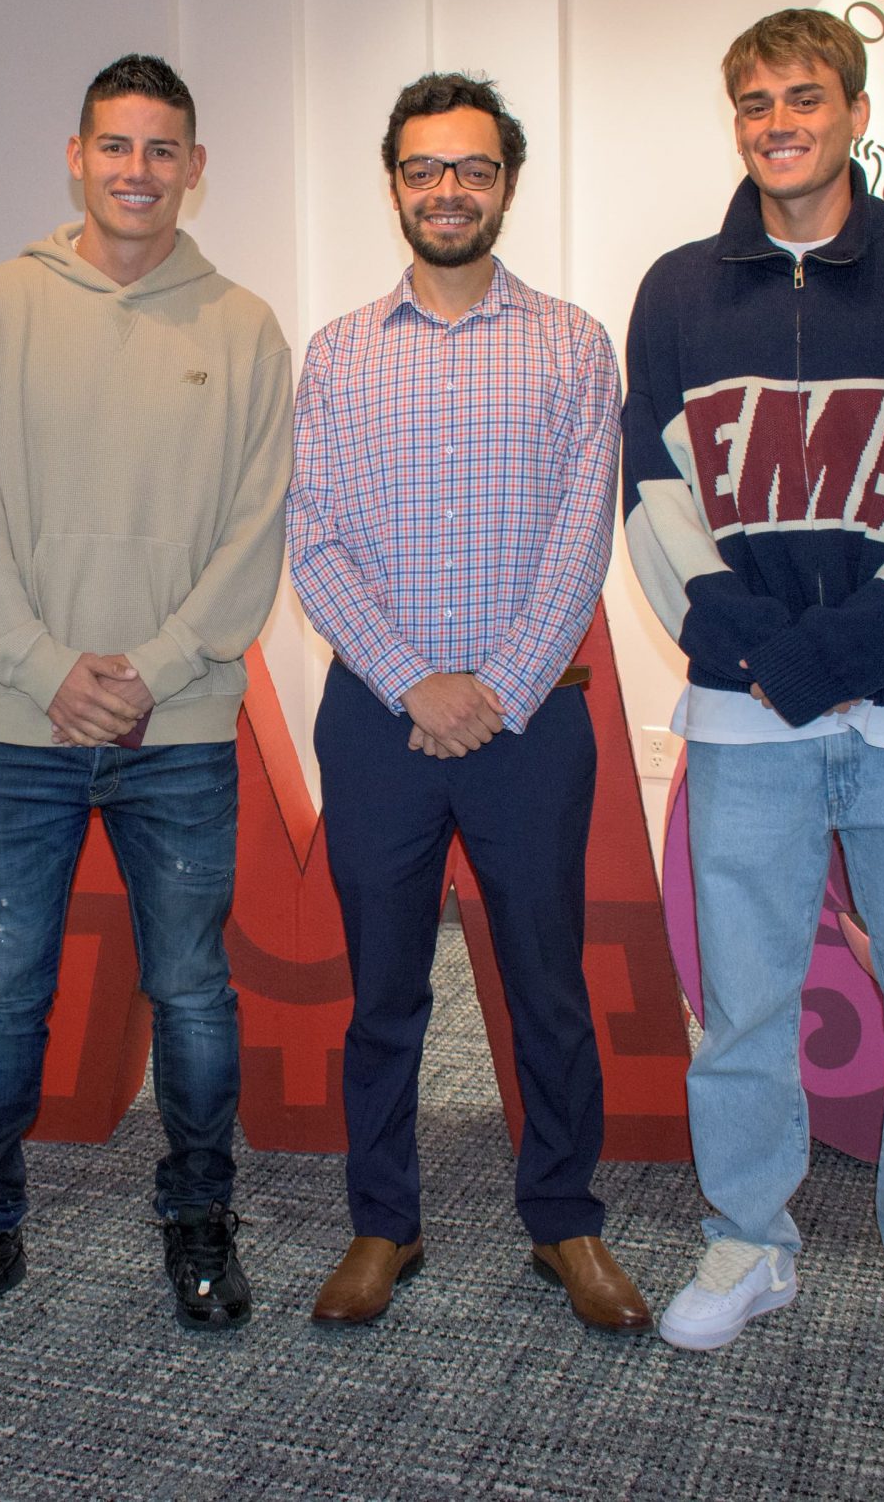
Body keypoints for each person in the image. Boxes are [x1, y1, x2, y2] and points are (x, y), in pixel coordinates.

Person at [621, 8, 884, 1397]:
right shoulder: (678, 291)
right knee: (740, 1005)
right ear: (734, 121)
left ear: (855, 111)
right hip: (744, 721)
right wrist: (766, 661)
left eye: (804, 96)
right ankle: (750, 1239)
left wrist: (841, 653)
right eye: (753, 102)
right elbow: (658, 510)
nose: (778, 121)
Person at [0, 54, 293, 1338]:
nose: (138, 170)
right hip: (19, 726)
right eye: (114, 146)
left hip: (175, 726)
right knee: (5, 984)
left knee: (191, 988)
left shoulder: (241, 328)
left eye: (162, 149)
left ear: (195, 168)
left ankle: (198, 1216)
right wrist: (41, 666)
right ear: (74, 156)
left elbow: (257, 530)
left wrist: (161, 662)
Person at [290, 73, 643, 1333]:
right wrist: (417, 686)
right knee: (381, 990)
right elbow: (315, 540)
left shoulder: (571, 342)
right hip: (378, 726)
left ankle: (566, 1220)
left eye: (474, 168)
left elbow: (577, 541)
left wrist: (490, 691)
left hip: (531, 725)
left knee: (547, 984)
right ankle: (384, 1221)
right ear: (392, 180)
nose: (448, 189)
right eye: (425, 168)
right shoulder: (334, 352)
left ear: (506, 182)